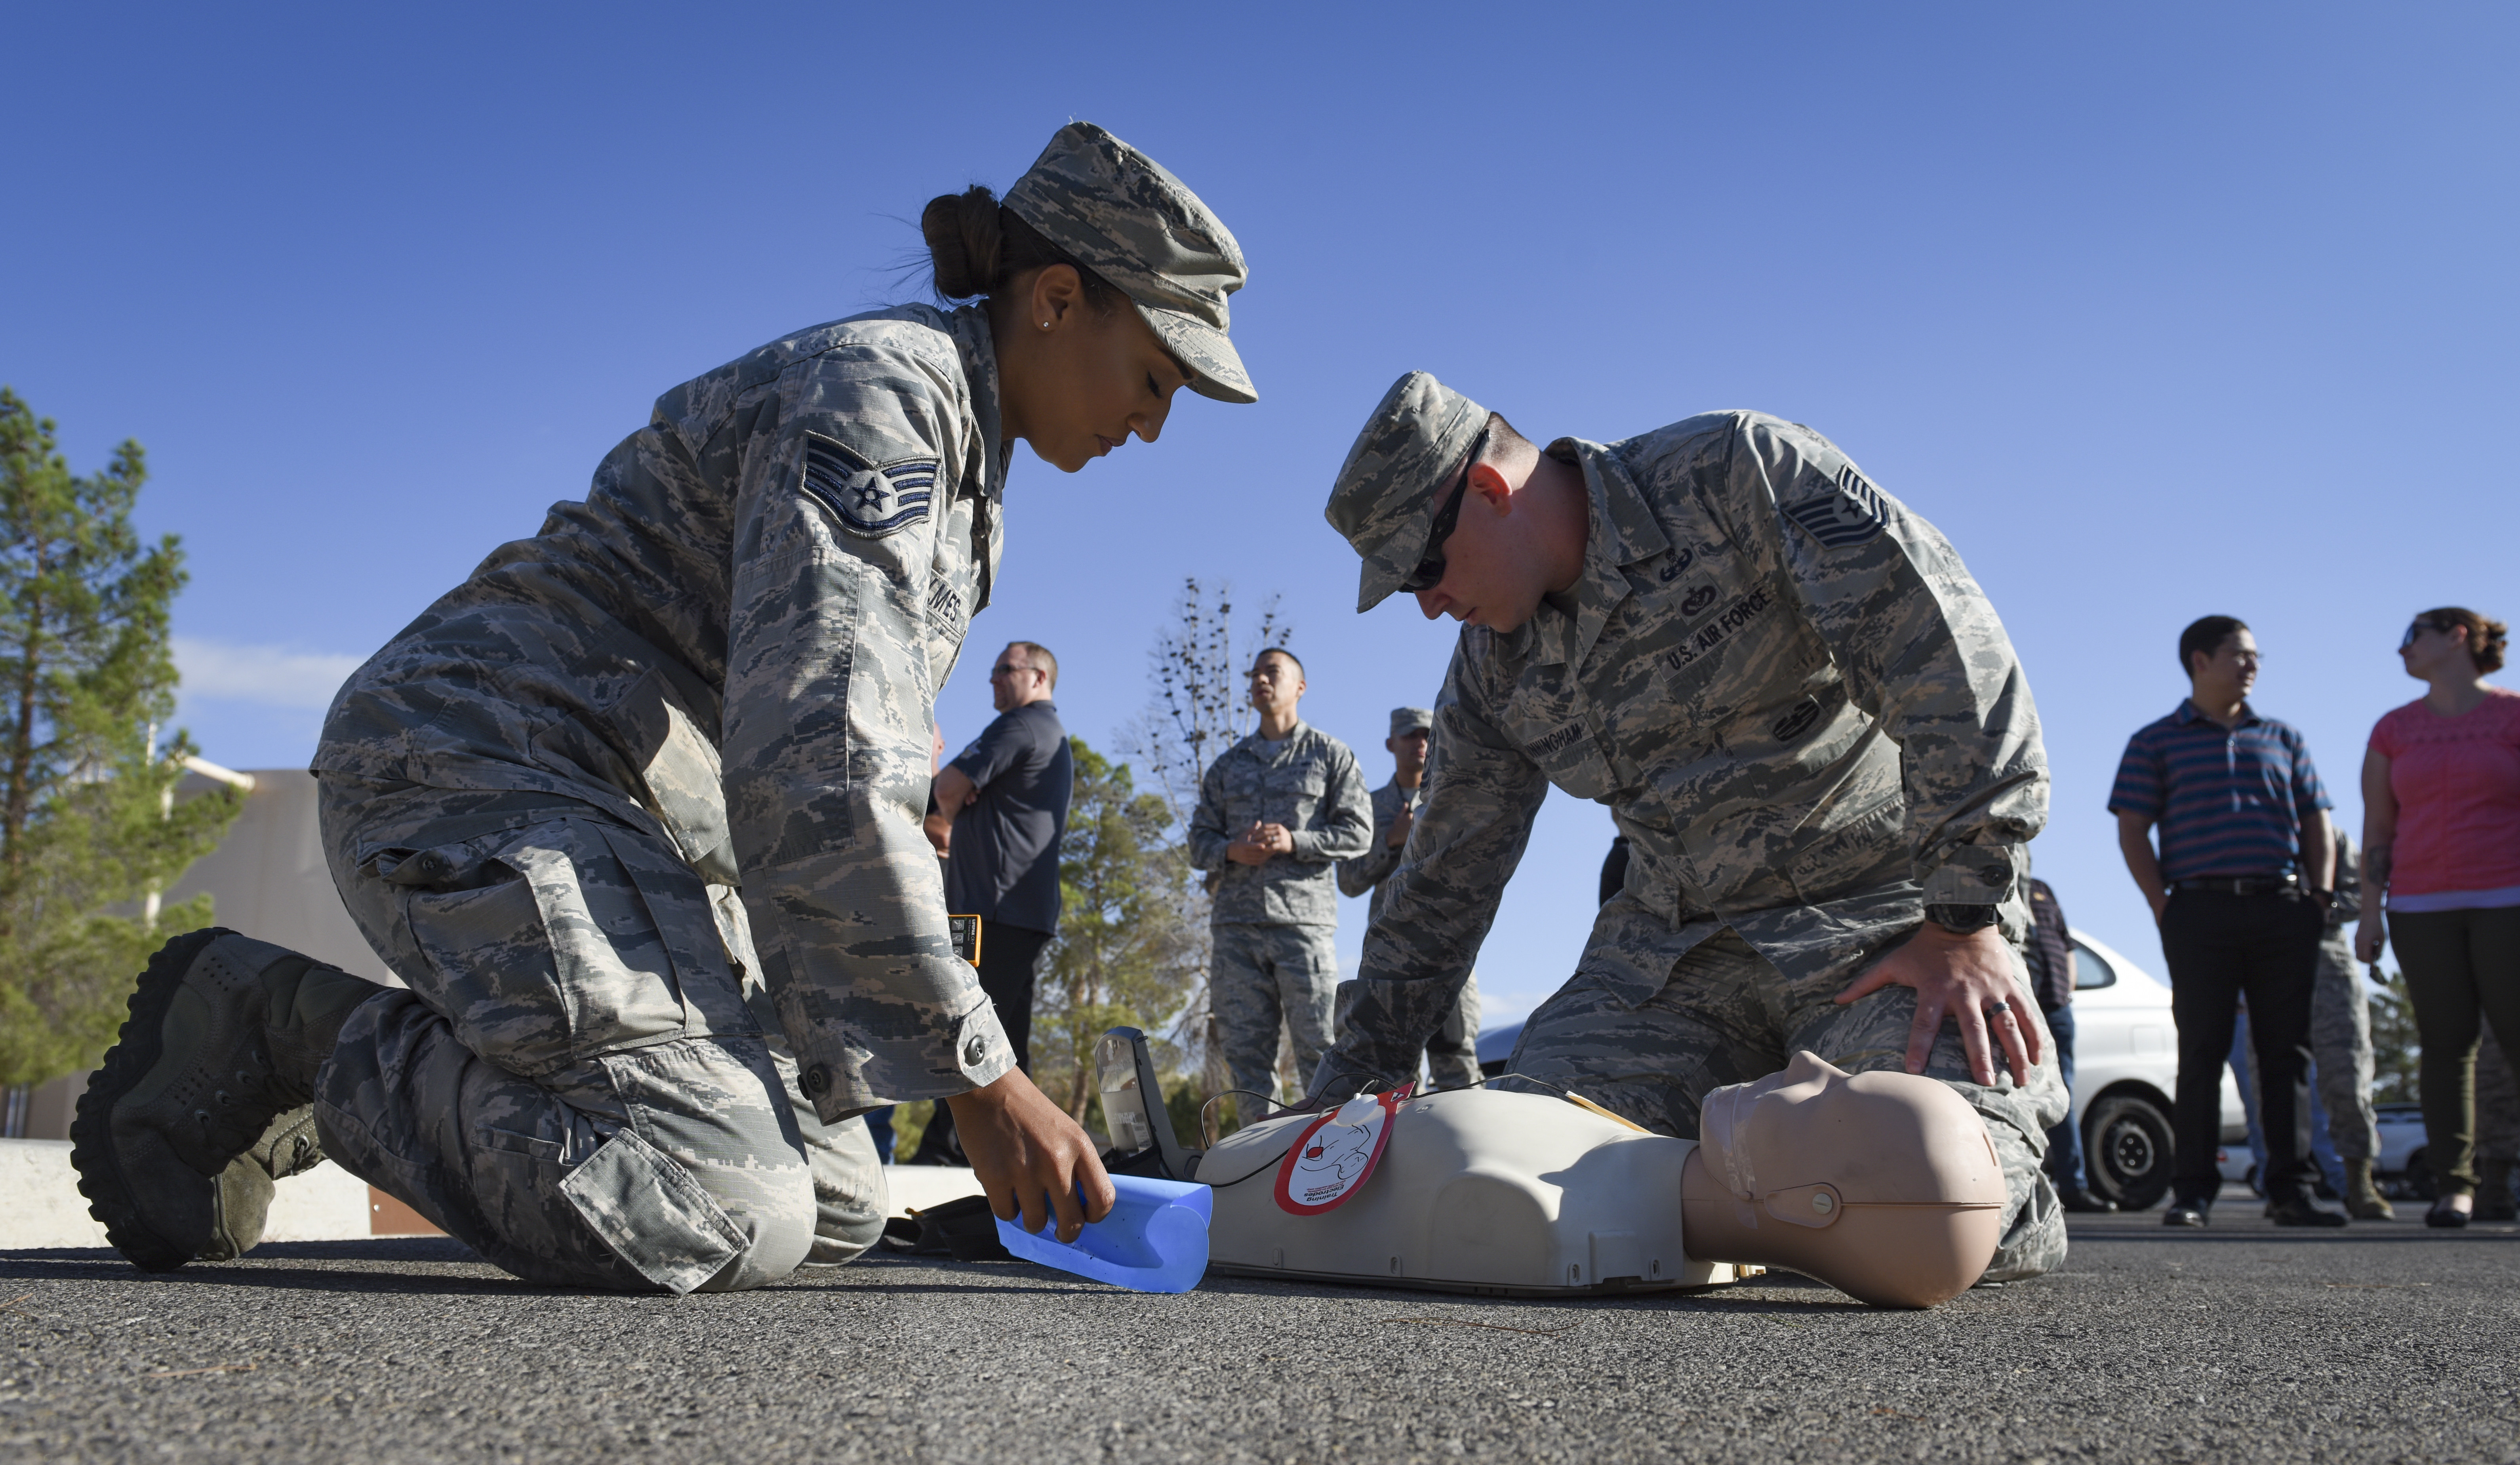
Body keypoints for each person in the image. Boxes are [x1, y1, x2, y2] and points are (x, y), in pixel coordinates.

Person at [71, 122, 1257, 1289]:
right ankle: (281, 1027)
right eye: (1156, 377)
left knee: (839, 1196)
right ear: (1057, 299)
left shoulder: (962, 454)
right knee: (715, 1195)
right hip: (479, 761)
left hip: (626, 818)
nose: (1154, 422)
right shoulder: (886, 400)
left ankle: (494, 1063)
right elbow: (821, 765)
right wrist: (985, 1079)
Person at [1314, 374, 2069, 1283]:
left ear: (1486, 489)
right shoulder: (1490, 671)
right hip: (1670, 966)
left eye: (1422, 570)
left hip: (1886, 927)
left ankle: (1816, 1194)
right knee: (1508, 1165)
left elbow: (1947, 655)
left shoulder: (1732, 473)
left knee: (1929, 1187)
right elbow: (1442, 883)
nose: (1427, 605)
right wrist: (1344, 1094)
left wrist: (1965, 916)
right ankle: (1757, 1202)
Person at [2110, 615, 2345, 1228]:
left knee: (2285, 1052)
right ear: (2199, 660)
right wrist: (2161, 904)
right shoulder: (2153, 741)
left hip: (2282, 908)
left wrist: (2318, 897)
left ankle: (2291, 1189)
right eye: (2239, 654)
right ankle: (2191, 1191)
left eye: (2254, 655)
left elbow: (2316, 819)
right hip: (2197, 911)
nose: (2251, 665)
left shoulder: (2282, 737)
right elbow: (2131, 827)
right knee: (2200, 1050)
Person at [2354, 607, 2519, 1227]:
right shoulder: (2392, 728)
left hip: (2507, 899)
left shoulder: (2512, 715)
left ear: (2456, 637)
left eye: (2412, 637)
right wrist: (2369, 914)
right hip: (2419, 907)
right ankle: (2455, 1186)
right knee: (2445, 1045)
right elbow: (2378, 826)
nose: (2401, 649)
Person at [909, 642, 1074, 1164]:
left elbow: (943, 792)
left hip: (993, 911)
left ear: (1039, 677)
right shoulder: (1041, 731)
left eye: (1006, 669)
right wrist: (959, 797)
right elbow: (952, 793)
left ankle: (944, 1154)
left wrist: (954, 797)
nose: (994, 678)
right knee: (1008, 1043)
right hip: (1015, 913)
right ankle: (1021, 1158)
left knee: (966, 1028)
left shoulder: (1020, 726)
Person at [1188, 649, 1375, 1109]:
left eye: (1272, 672)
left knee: (1322, 1049)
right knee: (1246, 1059)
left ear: (1300, 687)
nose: (1260, 680)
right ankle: (1259, 1151)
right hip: (1236, 929)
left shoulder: (1330, 755)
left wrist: (1296, 840)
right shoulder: (1228, 765)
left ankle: (1333, 1149)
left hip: (1303, 926)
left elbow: (1360, 833)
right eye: (1254, 673)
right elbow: (1198, 841)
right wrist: (1231, 849)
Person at [1337, 707, 1481, 1090]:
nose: (1420, 742)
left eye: (1427, 734)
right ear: (1391, 743)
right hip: (1390, 947)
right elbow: (1348, 881)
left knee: (1457, 1052)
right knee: (1393, 1065)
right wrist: (1391, 840)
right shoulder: (1368, 808)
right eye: (1410, 735)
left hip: (1450, 938)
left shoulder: (1455, 798)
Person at [2024, 877, 2111, 1212]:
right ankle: (2025, 1192)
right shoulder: (1995, 877)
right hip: (2018, 1007)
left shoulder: (2041, 888)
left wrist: (2067, 991)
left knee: (2063, 1096)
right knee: (2020, 1095)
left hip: (2057, 1008)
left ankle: (2074, 1186)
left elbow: (2066, 942)